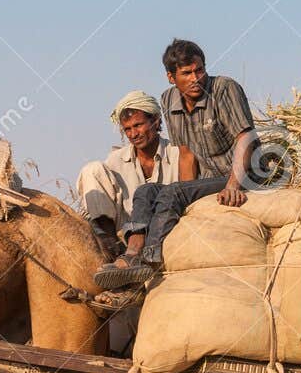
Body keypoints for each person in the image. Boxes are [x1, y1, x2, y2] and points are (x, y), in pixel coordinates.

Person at [93, 38, 258, 290]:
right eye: (186, 73)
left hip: (239, 175)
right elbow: (186, 153)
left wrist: (234, 185)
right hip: (206, 181)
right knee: (146, 191)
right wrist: (187, 199)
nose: (196, 78)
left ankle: (151, 259)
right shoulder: (169, 100)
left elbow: (246, 138)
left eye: (199, 70)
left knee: (173, 191)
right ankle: (132, 253)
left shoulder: (224, 89)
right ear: (171, 77)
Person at [76, 91, 198, 258]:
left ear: (155, 121)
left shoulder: (178, 154)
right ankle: (112, 250)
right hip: (124, 237)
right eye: (127, 129)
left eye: (138, 125)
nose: (133, 134)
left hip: (168, 231)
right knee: (92, 169)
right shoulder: (115, 161)